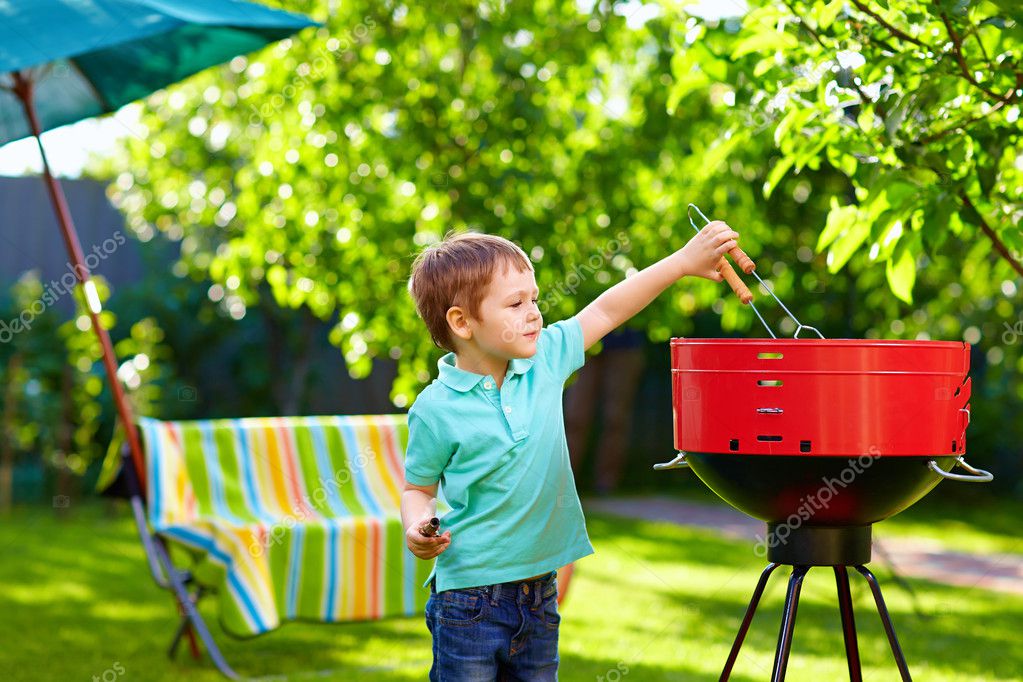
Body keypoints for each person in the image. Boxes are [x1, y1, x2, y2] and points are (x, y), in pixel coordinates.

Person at [401, 222, 739, 681]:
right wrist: (417, 525)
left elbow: (607, 308)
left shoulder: (544, 361)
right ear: (462, 322)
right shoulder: (435, 410)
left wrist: (681, 263)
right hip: (469, 599)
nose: (534, 313)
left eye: (534, 299)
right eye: (516, 304)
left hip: (540, 592)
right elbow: (418, 486)